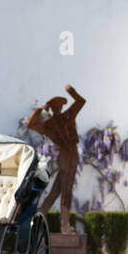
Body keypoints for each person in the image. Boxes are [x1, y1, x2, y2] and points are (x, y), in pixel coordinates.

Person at [26, 85, 86, 234]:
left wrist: (72, 92)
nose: (58, 108)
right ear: (51, 108)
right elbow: (30, 124)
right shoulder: (48, 124)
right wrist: (41, 109)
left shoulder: (69, 115)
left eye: (60, 105)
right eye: (55, 106)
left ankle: (35, 219)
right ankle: (65, 226)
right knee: (67, 188)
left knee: (56, 191)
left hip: (73, 153)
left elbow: (81, 102)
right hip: (65, 155)